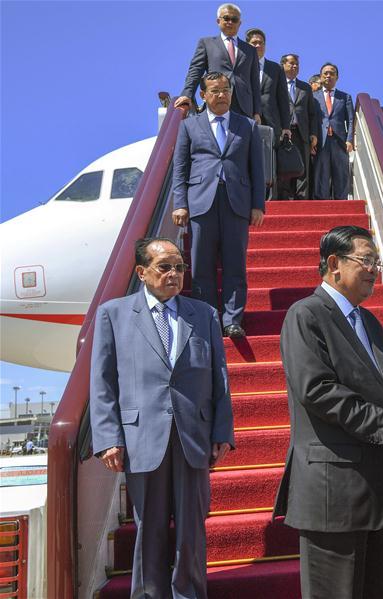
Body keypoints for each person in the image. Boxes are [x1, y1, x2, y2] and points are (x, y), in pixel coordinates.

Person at [273, 226, 383, 599]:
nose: (374, 270)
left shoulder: (367, 321)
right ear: (334, 264)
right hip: (334, 492)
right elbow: (318, 390)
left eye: (377, 263)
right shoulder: (306, 315)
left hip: (380, 486)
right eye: (366, 261)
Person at [90, 237, 234, 599]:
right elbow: (102, 381)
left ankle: (189, 593)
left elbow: (220, 377)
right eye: (164, 267)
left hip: (193, 435)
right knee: (148, 527)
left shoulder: (204, 315)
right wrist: (109, 437)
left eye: (180, 267)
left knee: (191, 529)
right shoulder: (114, 314)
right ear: (142, 272)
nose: (174, 274)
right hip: (142, 436)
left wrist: (222, 431)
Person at [172, 72, 265, 339]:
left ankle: (233, 319)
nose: (222, 95)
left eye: (226, 90)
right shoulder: (189, 126)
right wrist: (180, 203)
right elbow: (181, 168)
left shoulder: (246, 125)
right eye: (215, 91)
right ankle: (208, 316)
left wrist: (258, 204)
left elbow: (256, 169)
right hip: (201, 201)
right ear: (203, 95)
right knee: (201, 265)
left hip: (237, 201)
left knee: (235, 263)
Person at [174, 3, 261, 123]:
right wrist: (187, 94)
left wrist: (257, 112)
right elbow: (195, 71)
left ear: (239, 23)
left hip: (244, 107)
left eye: (234, 19)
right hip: (216, 101)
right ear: (218, 21)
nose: (230, 22)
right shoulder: (207, 43)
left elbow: (255, 82)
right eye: (226, 18)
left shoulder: (250, 50)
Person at [279, 54, 319, 200]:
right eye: (291, 63)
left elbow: (312, 113)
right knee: (284, 166)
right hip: (283, 132)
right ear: (282, 65)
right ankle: (284, 198)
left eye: (297, 64)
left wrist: (314, 133)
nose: (295, 66)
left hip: (302, 133)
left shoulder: (305, 87)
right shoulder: (277, 84)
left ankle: (302, 198)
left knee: (303, 168)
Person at [313, 62, 354, 200]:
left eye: (332, 73)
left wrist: (349, 140)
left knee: (341, 175)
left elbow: (350, 120)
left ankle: (341, 204)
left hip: (340, 142)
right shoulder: (313, 96)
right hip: (321, 141)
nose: (328, 76)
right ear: (320, 76)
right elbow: (311, 119)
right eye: (325, 73)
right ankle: (321, 206)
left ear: (337, 77)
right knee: (321, 175)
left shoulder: (345, 97)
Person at [245, 29, 290, 141]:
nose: (258, 45)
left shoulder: (276, 68)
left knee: (269, 157)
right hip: (246, 119)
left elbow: (283, 99)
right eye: (254, 43)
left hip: (271, 122)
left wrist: (286, 126)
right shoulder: (241, 66)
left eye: (261, 43)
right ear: (247, 45)